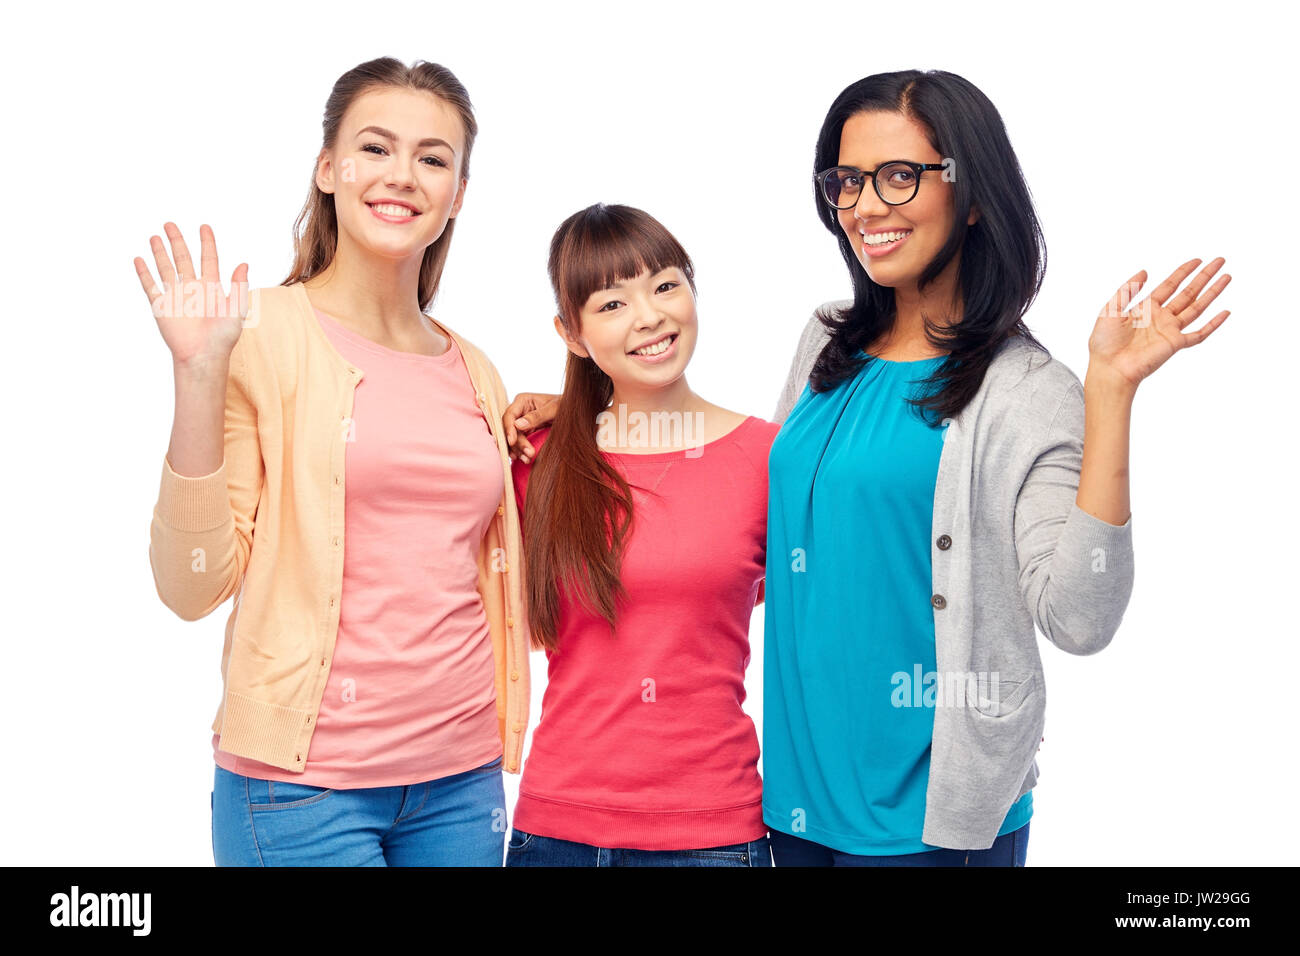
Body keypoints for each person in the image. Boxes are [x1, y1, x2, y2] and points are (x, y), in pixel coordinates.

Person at [502, 70, 1230, 867]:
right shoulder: (826, 346)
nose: (865, 207)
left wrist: (1111, 396)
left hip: (933, 823)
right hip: (794, 810)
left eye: (898, 176)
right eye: (848, 182)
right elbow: (751, 522)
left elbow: (1080, 619)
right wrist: (585, 416)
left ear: (974, 193)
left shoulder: (1025, 392)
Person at [140, 57, 529, 867]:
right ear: (328, 169)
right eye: (375, 149)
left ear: (458, 193)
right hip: (301, 791)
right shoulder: (260, 335)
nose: (402, 176)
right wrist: (199, 378)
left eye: (433, 158)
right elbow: (191, 585)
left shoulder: (476, 369)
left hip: (462, 782)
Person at [505, 204, 779, 867]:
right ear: (571, 334)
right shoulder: (535, 456)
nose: (650, 316)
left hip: (713, 836)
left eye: (664, 285)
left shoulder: (770, 458)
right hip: (555, 833)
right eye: (612, 303)